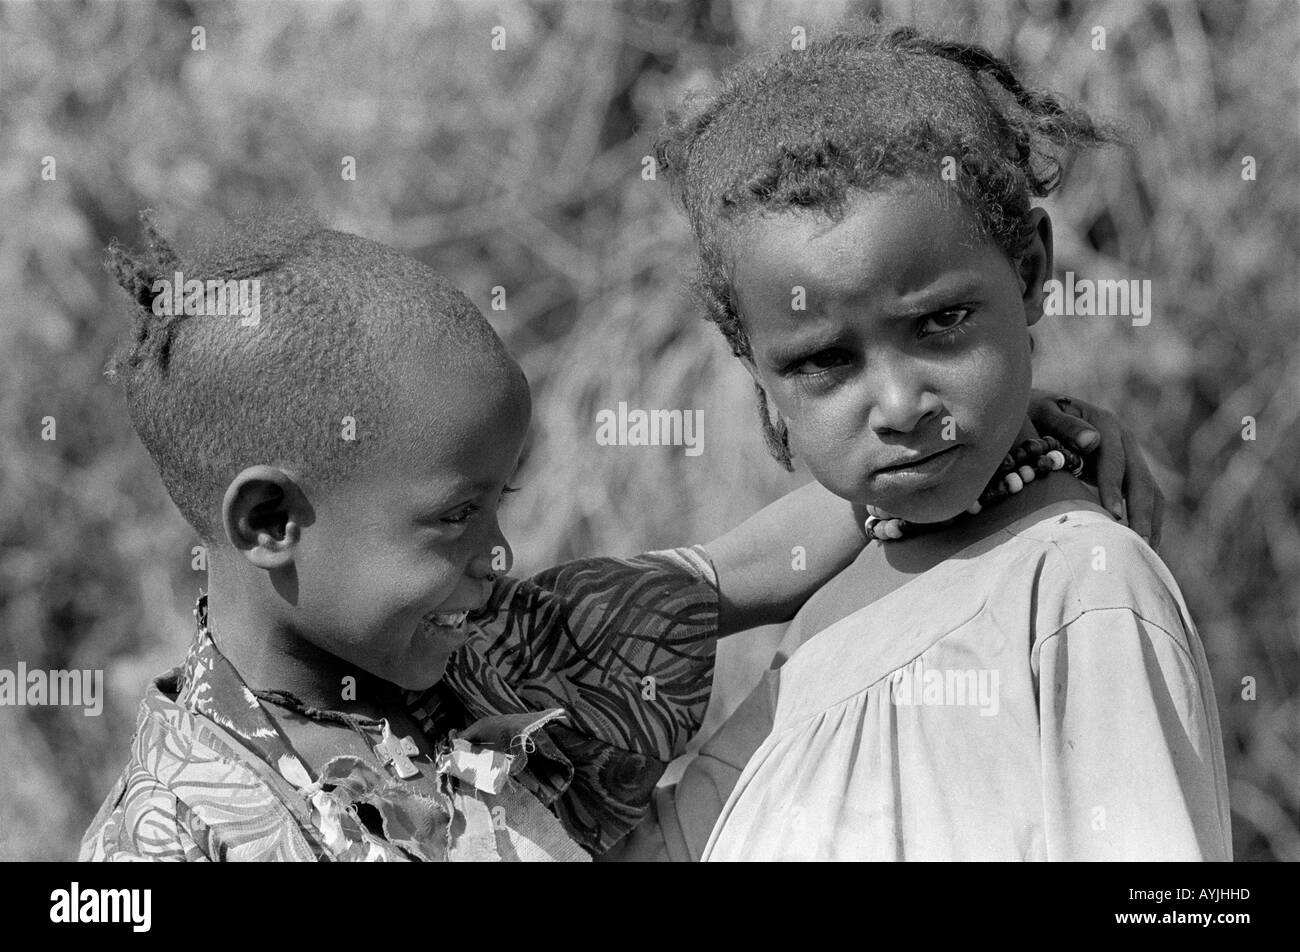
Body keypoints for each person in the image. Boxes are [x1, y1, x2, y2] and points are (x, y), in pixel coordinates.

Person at [613, 25, 1229, 861]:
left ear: (1030, 272)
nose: (901, 406)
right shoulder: (813, 646)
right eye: (826, 361)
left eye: (942, 322)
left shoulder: (1075, 585)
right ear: (757, 372)